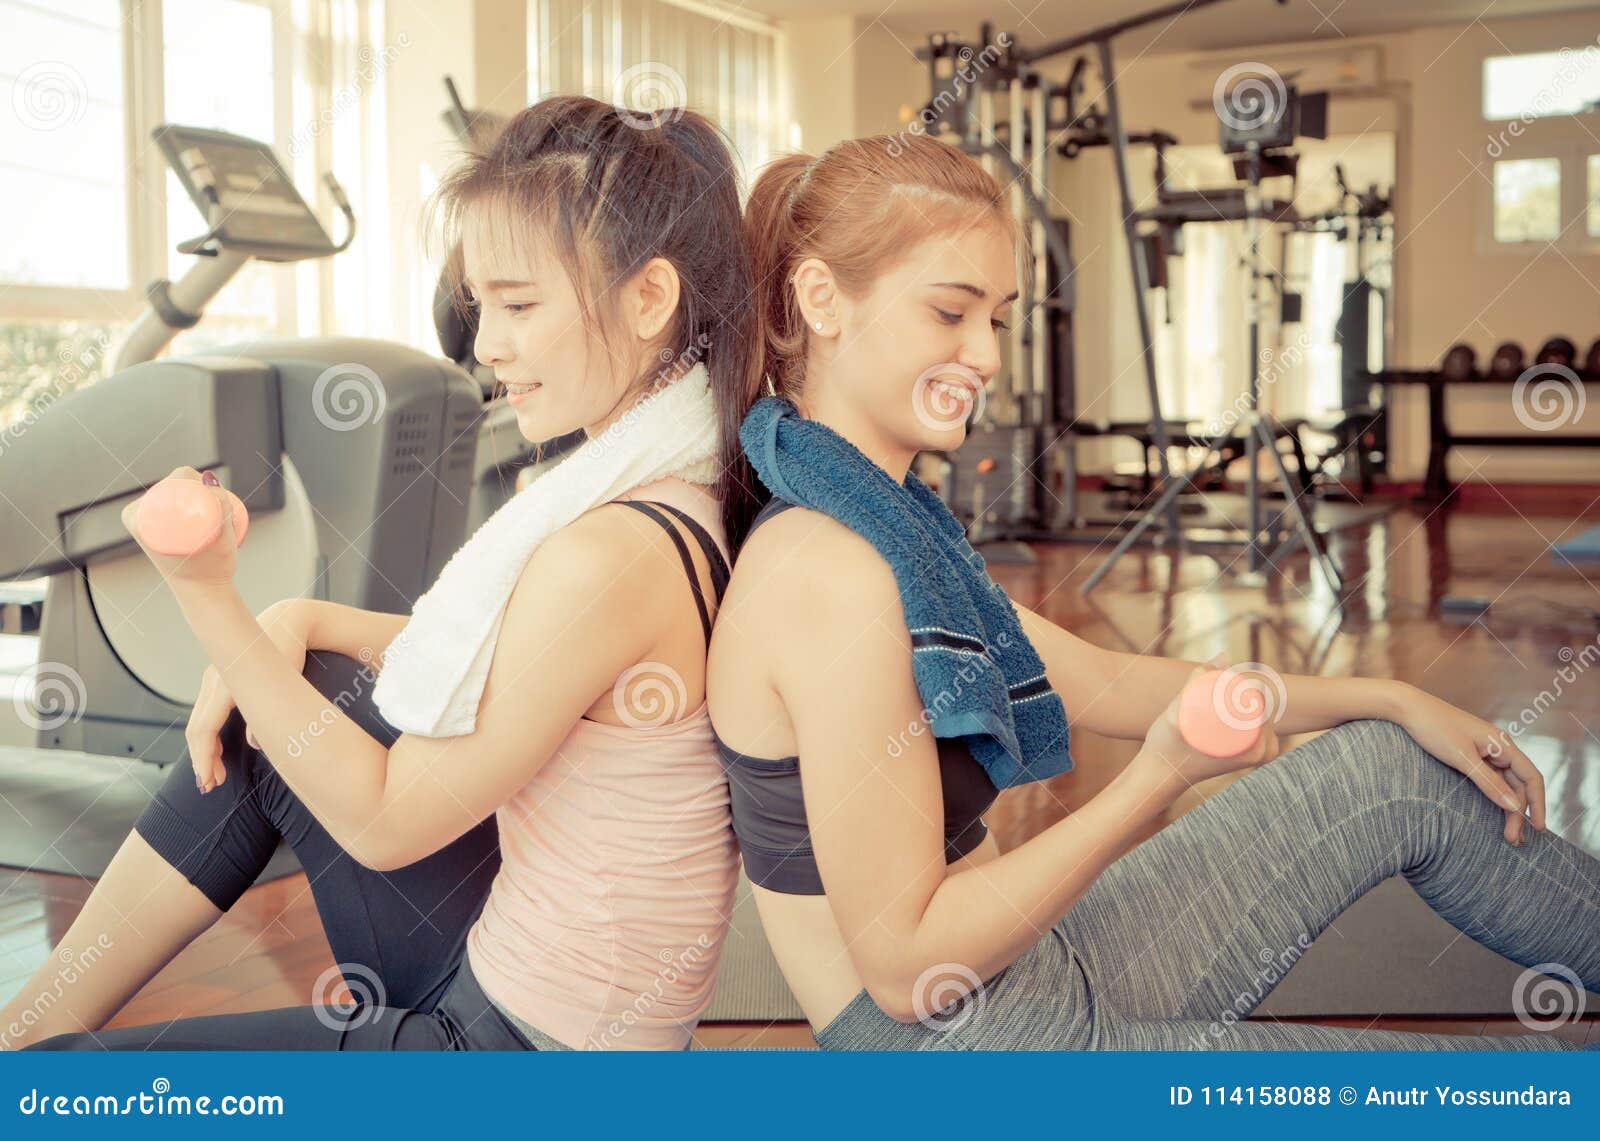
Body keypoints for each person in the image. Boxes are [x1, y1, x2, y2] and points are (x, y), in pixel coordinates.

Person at [704, 132, 1600, 1051]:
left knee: (1388, 770)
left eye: (999, 319)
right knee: (1533, 1079)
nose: (986, 355)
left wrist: (1392, 697)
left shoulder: (889, 524)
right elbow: (902, 968)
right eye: (949, 313)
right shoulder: (829, 572)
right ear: (822, 299)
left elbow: (1099, 680)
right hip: (989, 1065)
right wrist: (1161, 777)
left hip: (1038, 978)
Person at [9, 95, 757, 1051]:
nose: (487, 345)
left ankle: (28, 1057)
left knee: (67, 1092)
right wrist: (302, 619)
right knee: (288, 692)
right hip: (530, 991)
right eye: (483, 305)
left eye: (521, 305)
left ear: (650, 299)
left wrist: (206, 593)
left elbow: (383, 822)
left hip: (509, 1056)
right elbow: (524, 672)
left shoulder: (607, 556)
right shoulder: (680, 489)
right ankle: (20, 1028)